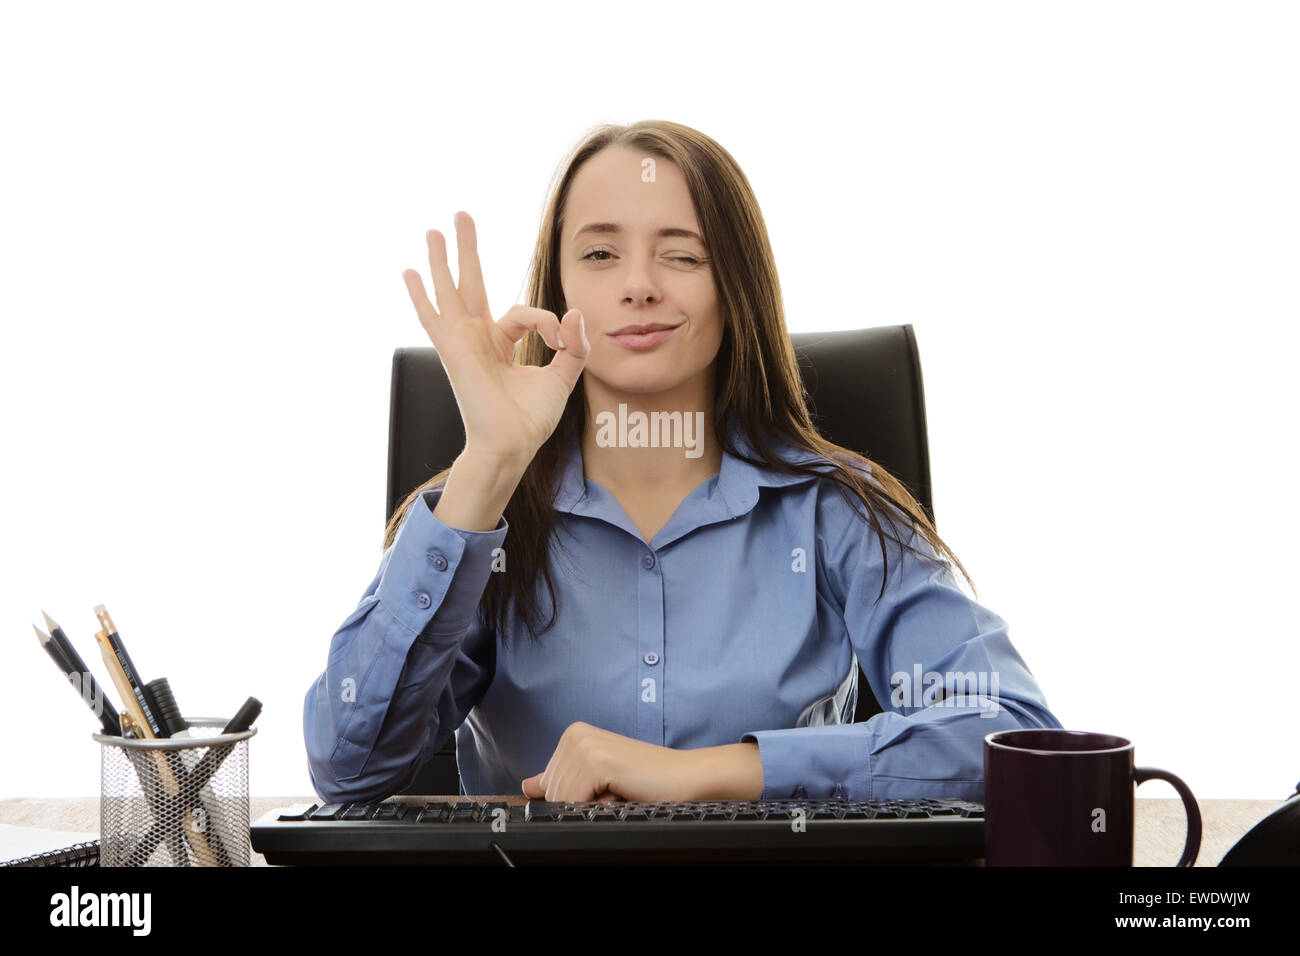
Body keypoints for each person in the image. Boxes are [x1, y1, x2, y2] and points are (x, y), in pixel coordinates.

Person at [303, 119, 1062, 807]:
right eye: (600, 254)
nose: (639, 285)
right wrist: (489, 466)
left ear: (735, 290)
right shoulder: (483, 510)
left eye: (682, 255)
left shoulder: (835, 513)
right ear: (558, 289)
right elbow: (349, 768)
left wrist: (707, 772)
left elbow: (1017, 740)